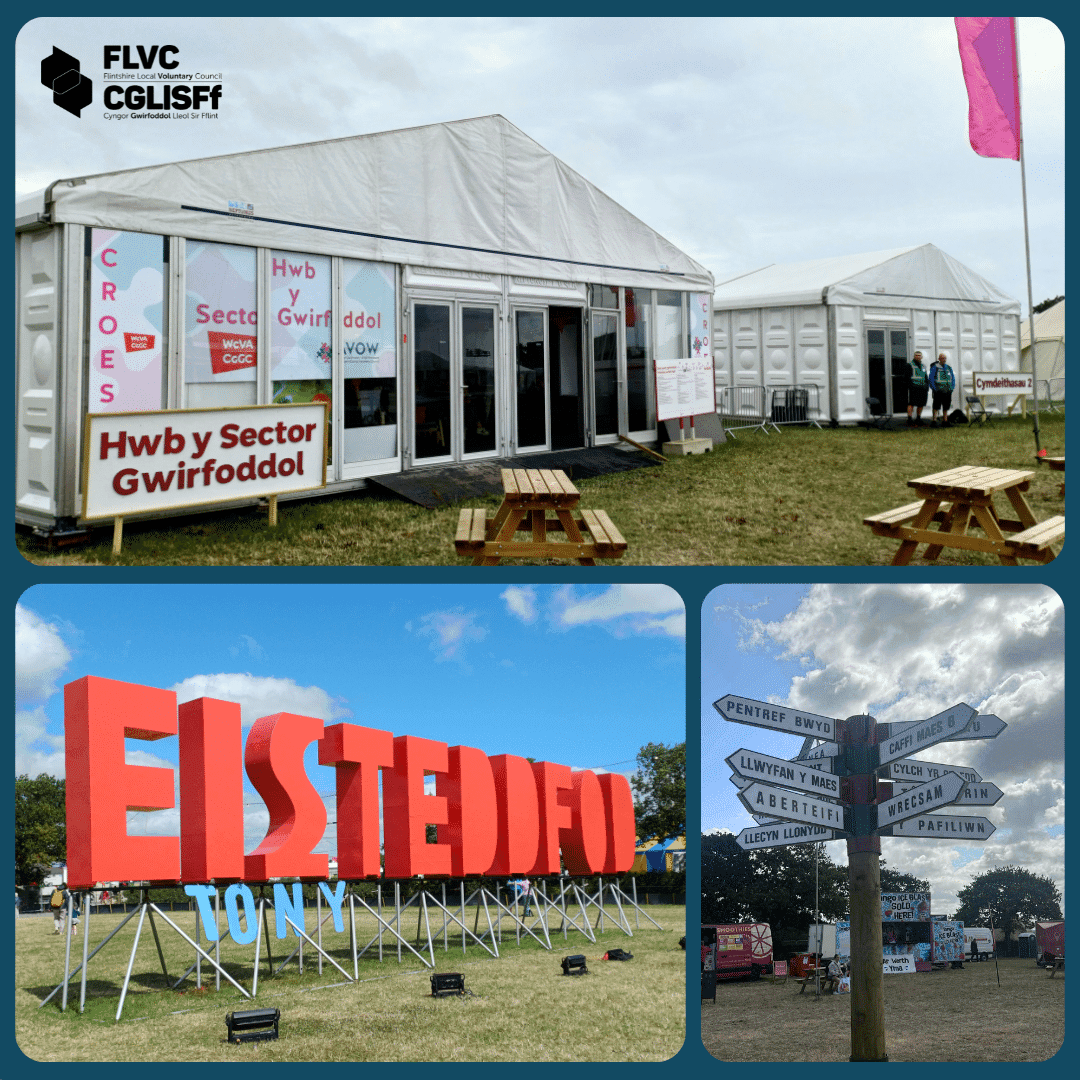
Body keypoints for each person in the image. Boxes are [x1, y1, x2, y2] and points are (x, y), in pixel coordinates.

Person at [930, 352, 956, 425]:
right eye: (942, 358)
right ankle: (934, 421)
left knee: (946, 406)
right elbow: (931, 378)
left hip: (947, 391)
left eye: (945, 358)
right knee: (936, 406)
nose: (944, 360)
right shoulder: (935, 367)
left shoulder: (949, 368)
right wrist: (934, 388)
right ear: (939, 359)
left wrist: (951, 388)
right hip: (938, 390)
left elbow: (952, 378)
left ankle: (945, 421)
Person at [906, 352, 929, 425]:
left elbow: (925, 377)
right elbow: (906, 377)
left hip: (922, 388)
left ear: (921, 357)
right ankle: (909, 419)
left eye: (919, 355)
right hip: (914, 388)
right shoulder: (909, 365)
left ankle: (918, 418)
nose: (918, 357)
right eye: (916, 355)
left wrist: (926, 386)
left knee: (921, 404)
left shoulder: (923, 366)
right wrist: (910, 386)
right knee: (911, 403)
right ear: (914, 356)